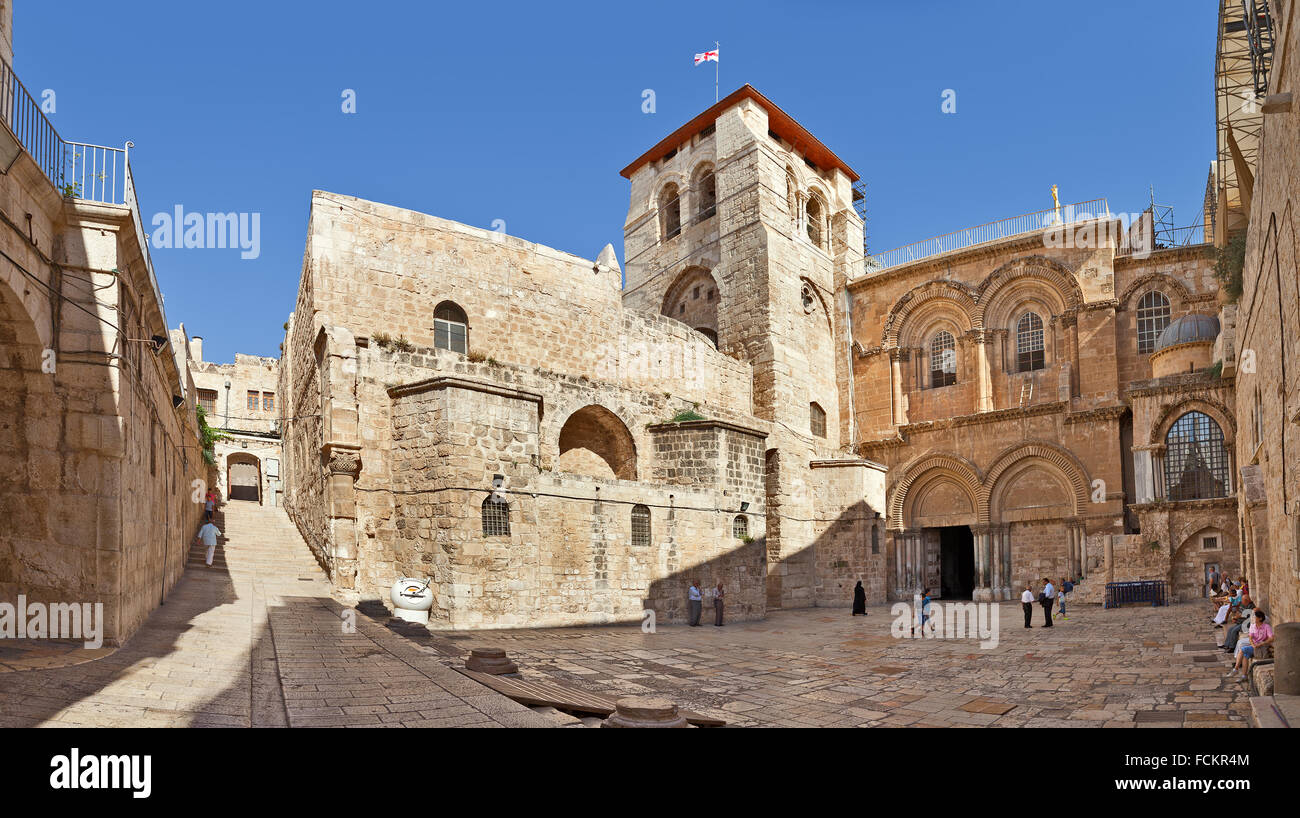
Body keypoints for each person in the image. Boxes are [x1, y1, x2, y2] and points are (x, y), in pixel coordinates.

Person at [1228, 610, 1274, 682]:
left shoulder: (1266, 627)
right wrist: (1253, 644)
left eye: (1254, 617)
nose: (1252, 618)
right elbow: (1250, 637)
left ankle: (1236, 669)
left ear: (1260, 618)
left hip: (1261, 648)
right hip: (1254, 646)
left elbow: (1271, 638)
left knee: (1243, 649)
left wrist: (1262, 643)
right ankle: (1244, 676)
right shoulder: (1253, 626)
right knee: (1245, 656)